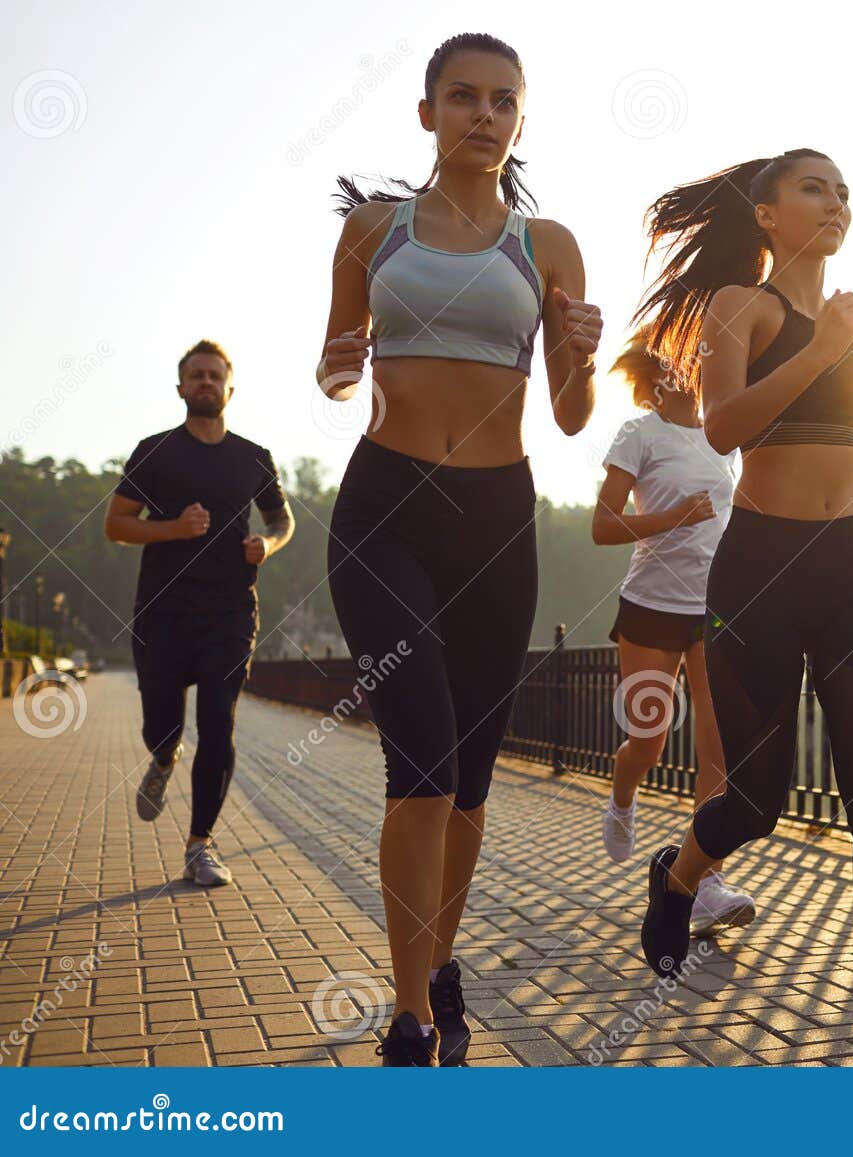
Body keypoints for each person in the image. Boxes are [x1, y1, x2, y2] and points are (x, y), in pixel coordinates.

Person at [632, 148, 853, 1066]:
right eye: (815, 187)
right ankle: (677, 873)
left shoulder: (852, 324)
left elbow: (839, 439)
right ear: (768, 215)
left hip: (852, 566)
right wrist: (824, 350)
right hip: (761, 569)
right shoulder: (739, 307)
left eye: (845, 191)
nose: (836, 201)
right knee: (756, 799)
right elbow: (725, 425)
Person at [317, 33, 602, 1066]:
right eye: (465, 97)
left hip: (496, 521)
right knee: (424, 762)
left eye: (503, 101)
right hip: (387, 510)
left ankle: (436, 962)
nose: (485, 114)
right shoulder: (372, 230)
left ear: (519, 120)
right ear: (428, 112)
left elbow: (571, 414)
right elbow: (334, 371)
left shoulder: (549, 244)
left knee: (471, 784)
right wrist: (342, 366)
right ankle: (410, 1014)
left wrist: (583, 356)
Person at [106, 339, 295, 889]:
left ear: (229, 389)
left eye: (215, 376)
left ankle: (199, 845)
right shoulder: (154, 452)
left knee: (219, 722)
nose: (206, 383)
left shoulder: (254, 457)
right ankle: (164, 757)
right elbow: (116, 525)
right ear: (181, 388)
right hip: (163, 613)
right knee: (160, 723)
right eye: (197, 376)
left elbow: (282, 522)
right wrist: (172, 528)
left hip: (231, 612)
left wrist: (269, 545)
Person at [592, 344, 756, 936]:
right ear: (657, 381)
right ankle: (622, 796)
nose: (689, 369)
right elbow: (602, 525)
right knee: (650, 743)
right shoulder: (639, 433)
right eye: (674, 364)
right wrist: (671, 520)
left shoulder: (723, 436)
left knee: (716, 749)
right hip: (651, 607)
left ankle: (706, 880)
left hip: (714, 611)